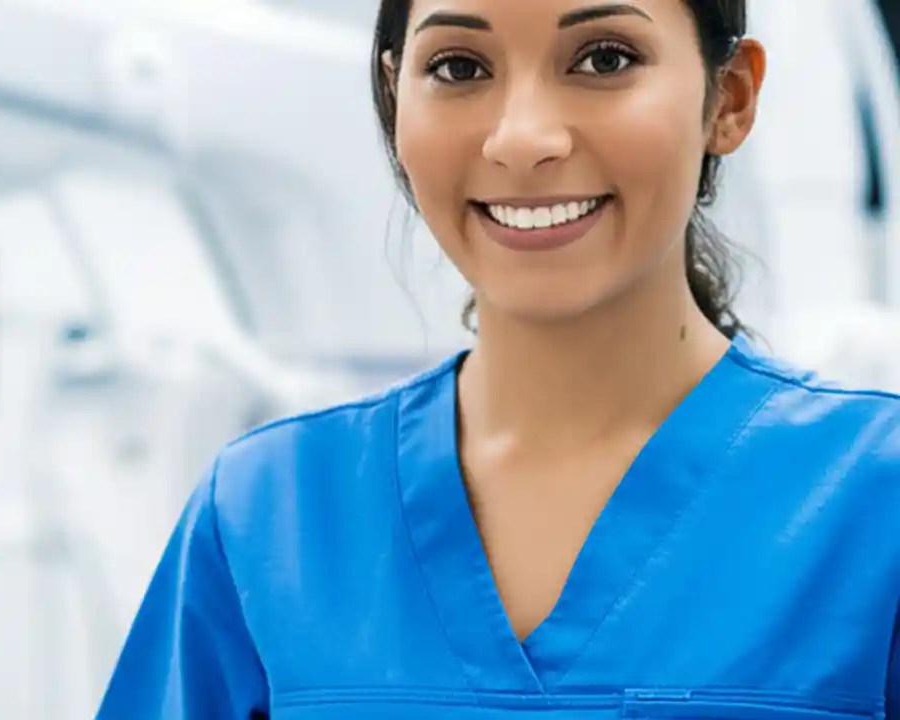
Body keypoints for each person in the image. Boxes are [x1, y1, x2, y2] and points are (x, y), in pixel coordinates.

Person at [97, 1, 900, 718]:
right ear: (393, 98)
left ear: (729, 98)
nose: (522, 139)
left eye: (605, 59)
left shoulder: (871, 501)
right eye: (458, 67)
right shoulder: (269, 513)